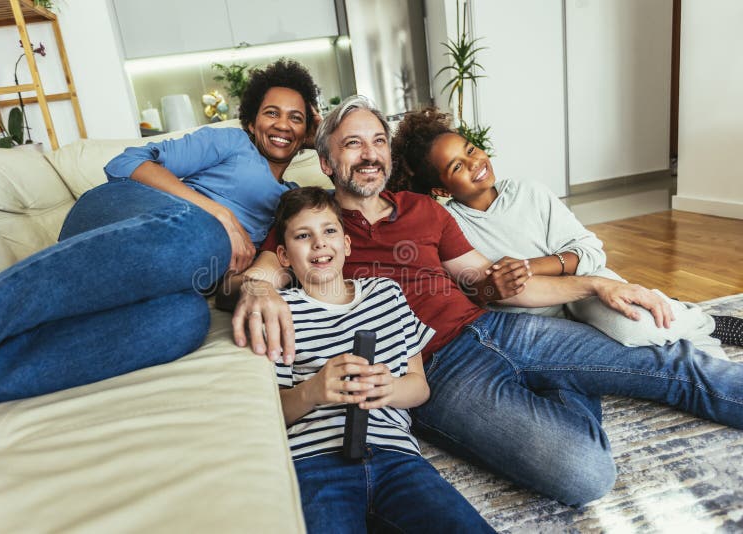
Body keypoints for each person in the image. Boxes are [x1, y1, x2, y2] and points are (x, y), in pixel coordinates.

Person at [231, 95, 743, 507]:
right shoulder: (315, 226)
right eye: (352, 144)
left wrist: (595, 285)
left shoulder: (423, 209)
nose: (369, 154)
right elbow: (265, 271)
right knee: (585, 473)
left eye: (378, 141)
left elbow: (488, 279)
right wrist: (256, 286)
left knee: (662, 361)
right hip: (436, 372)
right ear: (326, 161)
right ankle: (568, 383)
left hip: (498, 327)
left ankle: (580, 373)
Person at [0, 59, 319, 412]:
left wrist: (322, 140)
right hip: (120, 213)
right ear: (251, 122)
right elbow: (125, 163)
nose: (283, 125)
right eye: (272, 113)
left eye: (296, 118)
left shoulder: (292, 203)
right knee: (206, 236)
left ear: (307, 132)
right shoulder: (230, 143)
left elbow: (224, 287)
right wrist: (220, 215)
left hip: (161, 272)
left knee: (184, 322)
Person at [387, 107, 743, 358]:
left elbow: (591, 251)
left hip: (584, 289)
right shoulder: (448, 224)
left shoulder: (529, 192)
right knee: (633, 352)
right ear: (441, 189)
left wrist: (530, 267)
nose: (474, 163)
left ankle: (705, 321)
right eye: (457, 167)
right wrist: (494, 287)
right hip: (534, 320)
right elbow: (472, 293)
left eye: (470, 150)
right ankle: (679, 322)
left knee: (641, 328)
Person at [271, 186, 494, 533]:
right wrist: (312, 391)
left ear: (347, 244)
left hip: (395, 456)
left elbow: (419, 387)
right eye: (303, 235)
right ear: (284, 256)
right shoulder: (279, 311)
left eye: (329, 231)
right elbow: (269, 414)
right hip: (314, 462)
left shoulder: (386, 293)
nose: (319, 243)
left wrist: (389, 389)